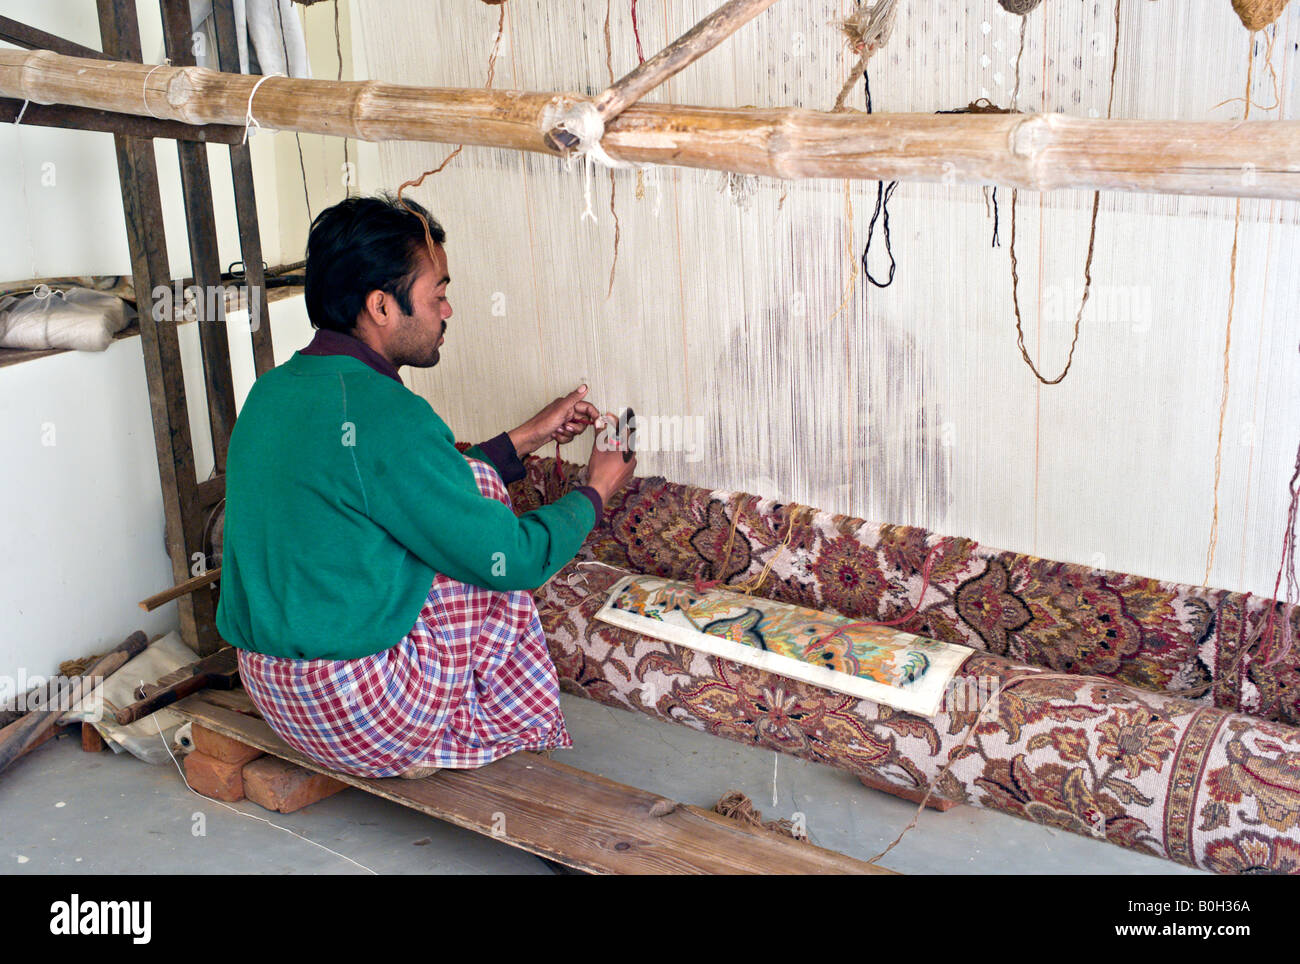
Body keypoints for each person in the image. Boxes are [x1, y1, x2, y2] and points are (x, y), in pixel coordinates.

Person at [215, 193, 636, 778]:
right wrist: (597, 489)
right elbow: (512, 559)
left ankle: (414, 727)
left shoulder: (272, 393)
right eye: (437, 293)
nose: (448, 310)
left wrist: (529, 435)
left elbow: (404, 478)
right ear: (382, 306)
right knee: (483, 519)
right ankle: (471, 725)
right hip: (361, 713)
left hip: (276, 695)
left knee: (457, 502)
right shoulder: (388, 413)